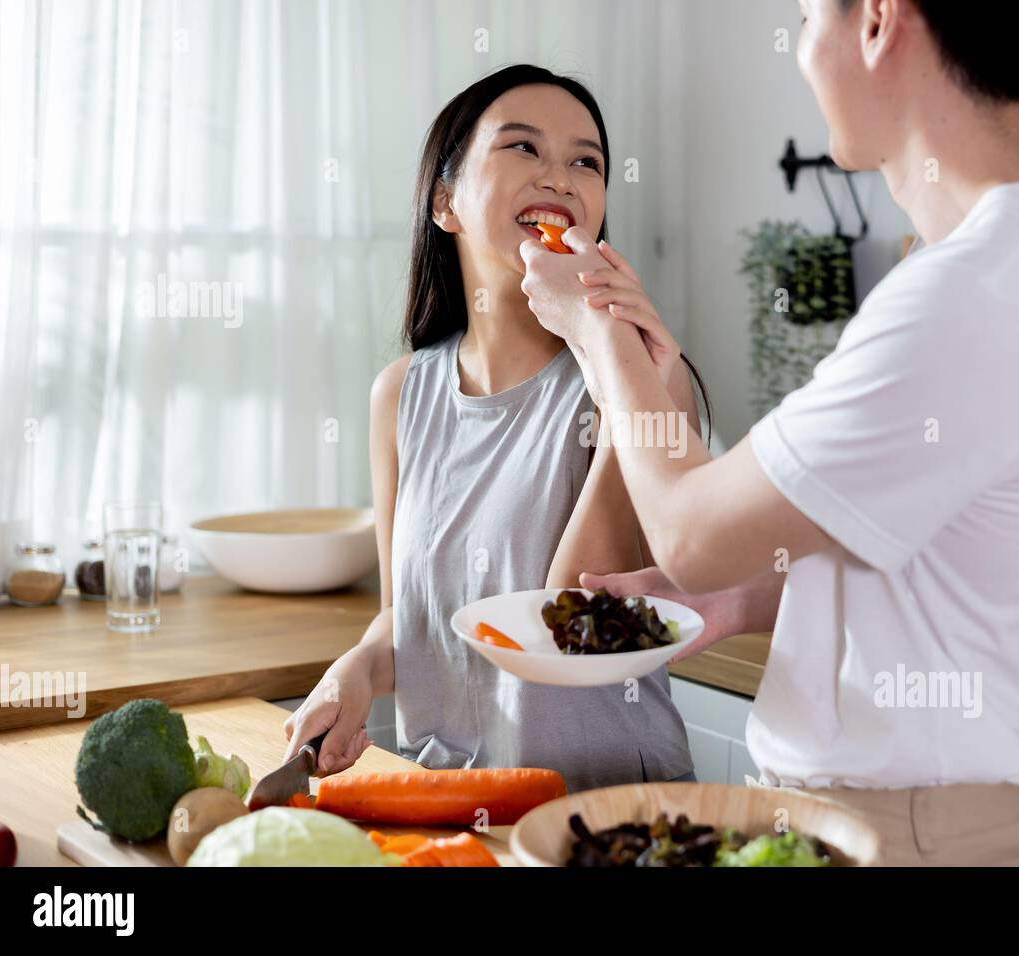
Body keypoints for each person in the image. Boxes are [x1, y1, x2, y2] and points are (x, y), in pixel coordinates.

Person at [520, 0, 1019, 864]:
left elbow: (694, 532)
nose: (803, 50)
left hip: (911, 832)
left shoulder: (967, 294)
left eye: (810, 15)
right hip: (929, 819)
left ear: (880, 20)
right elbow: (926, 553)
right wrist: (735, 599)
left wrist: (598, 339)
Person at [284, 65, 710, 793]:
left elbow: (573, 624)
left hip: (604, 812)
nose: (561, 178)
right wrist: (355, 669)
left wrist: (611, 357)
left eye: (587, 161)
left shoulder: (644, 376)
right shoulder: (400, 395)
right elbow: (408, 620)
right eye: (524, 149)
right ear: (444, 201)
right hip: (451, 801)